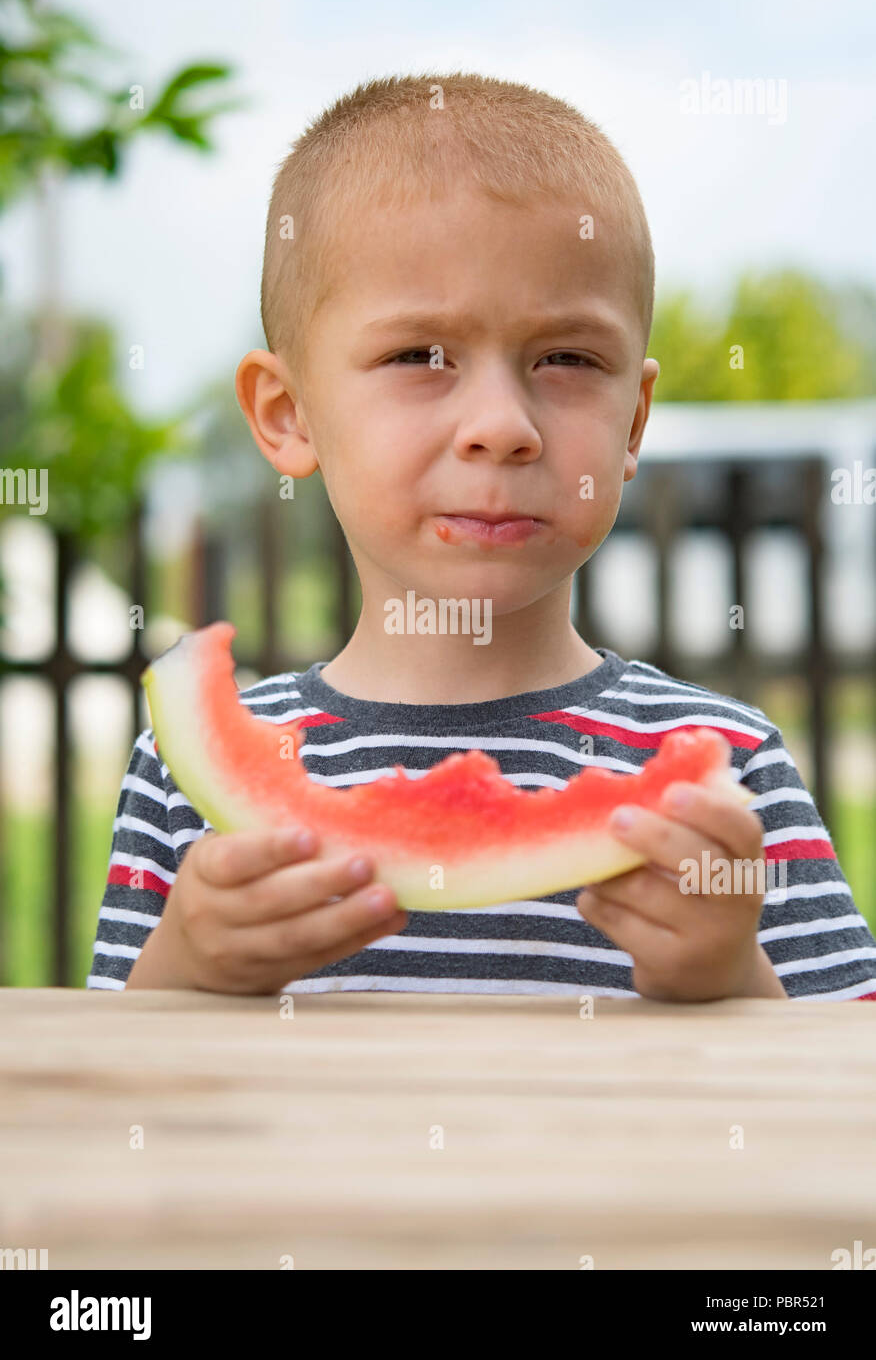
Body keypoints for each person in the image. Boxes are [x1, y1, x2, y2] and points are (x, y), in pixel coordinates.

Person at [89, 72, 876, 1001]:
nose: (502, 424)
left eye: (568, 359)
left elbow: (839, 1107)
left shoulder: (730, 771)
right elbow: (122, 1099)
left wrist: (729, 978)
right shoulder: (181, 784)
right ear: (288, 414)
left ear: (633, 423)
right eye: (421, 356)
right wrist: (187, 970)